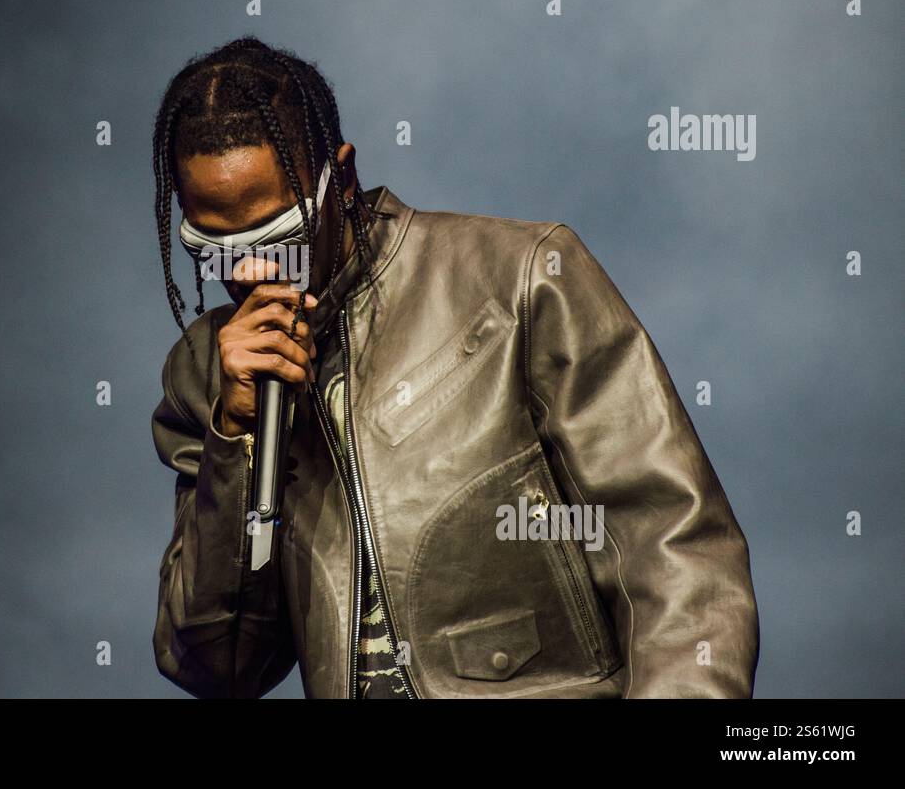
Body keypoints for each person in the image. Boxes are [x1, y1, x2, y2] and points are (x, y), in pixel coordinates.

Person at [148, 36, 760, 699]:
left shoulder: (522, 279)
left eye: (278, 234)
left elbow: (677, 552)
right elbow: (216, 666)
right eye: (212, 245)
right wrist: (236, 437)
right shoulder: (210, 376)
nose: (249, 270)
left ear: (342, 178)